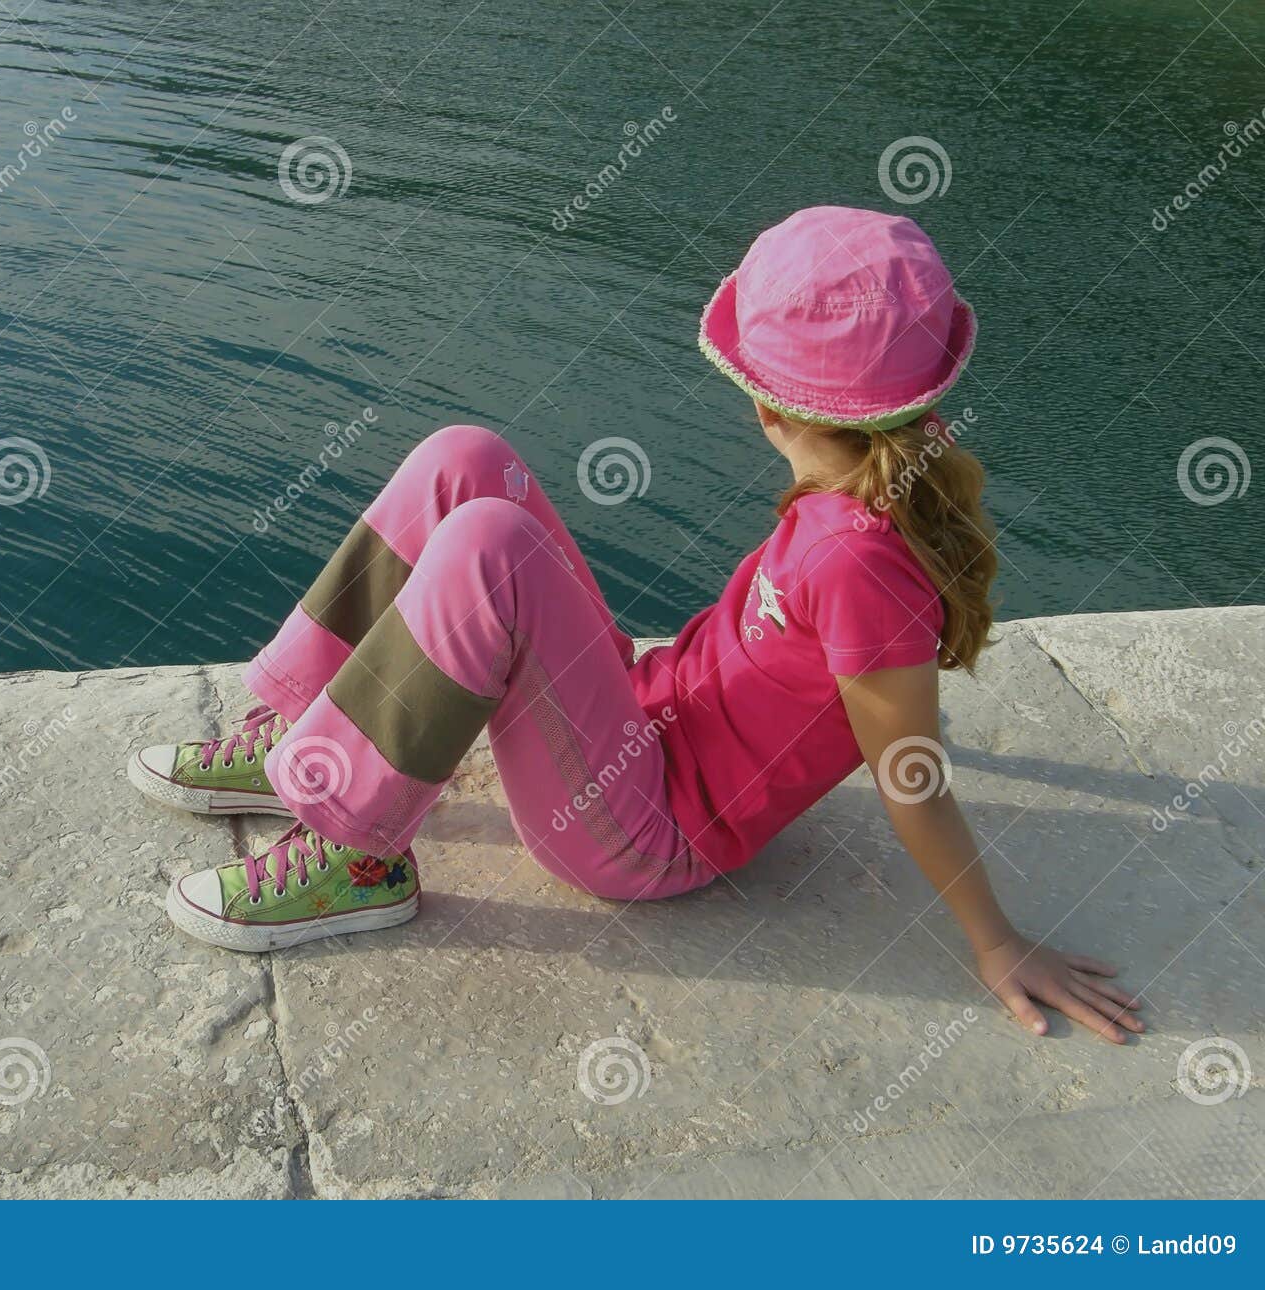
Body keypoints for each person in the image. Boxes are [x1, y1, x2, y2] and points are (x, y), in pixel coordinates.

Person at [128, 205, 1143, 1044]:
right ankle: (317, 733)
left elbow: (911, 774)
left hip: (639, 831)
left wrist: (996, 940)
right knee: (466, 458)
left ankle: (358, 856)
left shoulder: (856, 561)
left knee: (490, 543)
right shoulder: (871, 497)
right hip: (641, 718)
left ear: (762, 407)